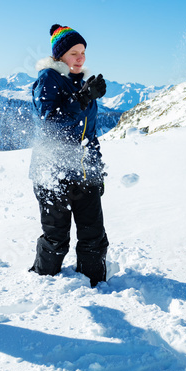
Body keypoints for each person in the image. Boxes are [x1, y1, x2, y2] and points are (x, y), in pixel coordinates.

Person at [28, 24, 109, 287]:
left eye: (83, 52)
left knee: (93, 234)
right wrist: (82, 99)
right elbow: (50, 123)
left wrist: (97, 170)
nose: (80, 58)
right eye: (74, 53)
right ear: (59, 56)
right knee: (56, 236)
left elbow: (90, 134)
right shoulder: (48, 79)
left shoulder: (85, 83)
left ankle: (95, 284)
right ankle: (45, 286)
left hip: (85, 171)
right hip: (52, 172)